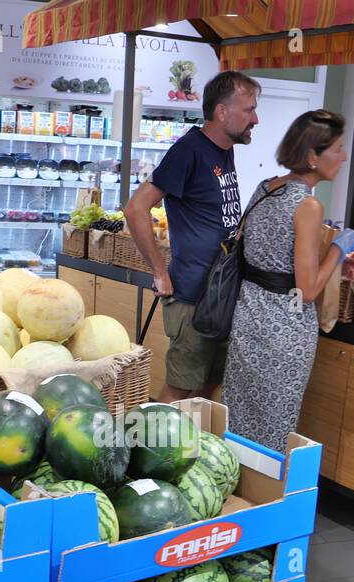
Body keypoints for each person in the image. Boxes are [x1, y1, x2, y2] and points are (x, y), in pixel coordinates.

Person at [221, 110, 354, 453]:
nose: (343, 157)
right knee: (275, 423)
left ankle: (234, 486)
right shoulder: (307, 206)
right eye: (338, 149)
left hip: (248, 315)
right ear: (313, 156)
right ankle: (266, 496)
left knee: (238, 417)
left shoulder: (265, 189)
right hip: (285, 328)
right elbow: (307, 288)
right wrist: (339, 250)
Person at [124, 70, 261, 402]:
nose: (255, 119)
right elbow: (135, 209)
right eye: (249, 110)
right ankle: (151, 450)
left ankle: (188, 450)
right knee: (182, 385)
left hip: (219, 293)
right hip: (192, 295)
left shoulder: (223, 150)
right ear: (222, 112)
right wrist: (159, 272)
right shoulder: (188, 150)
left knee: (207, 386)